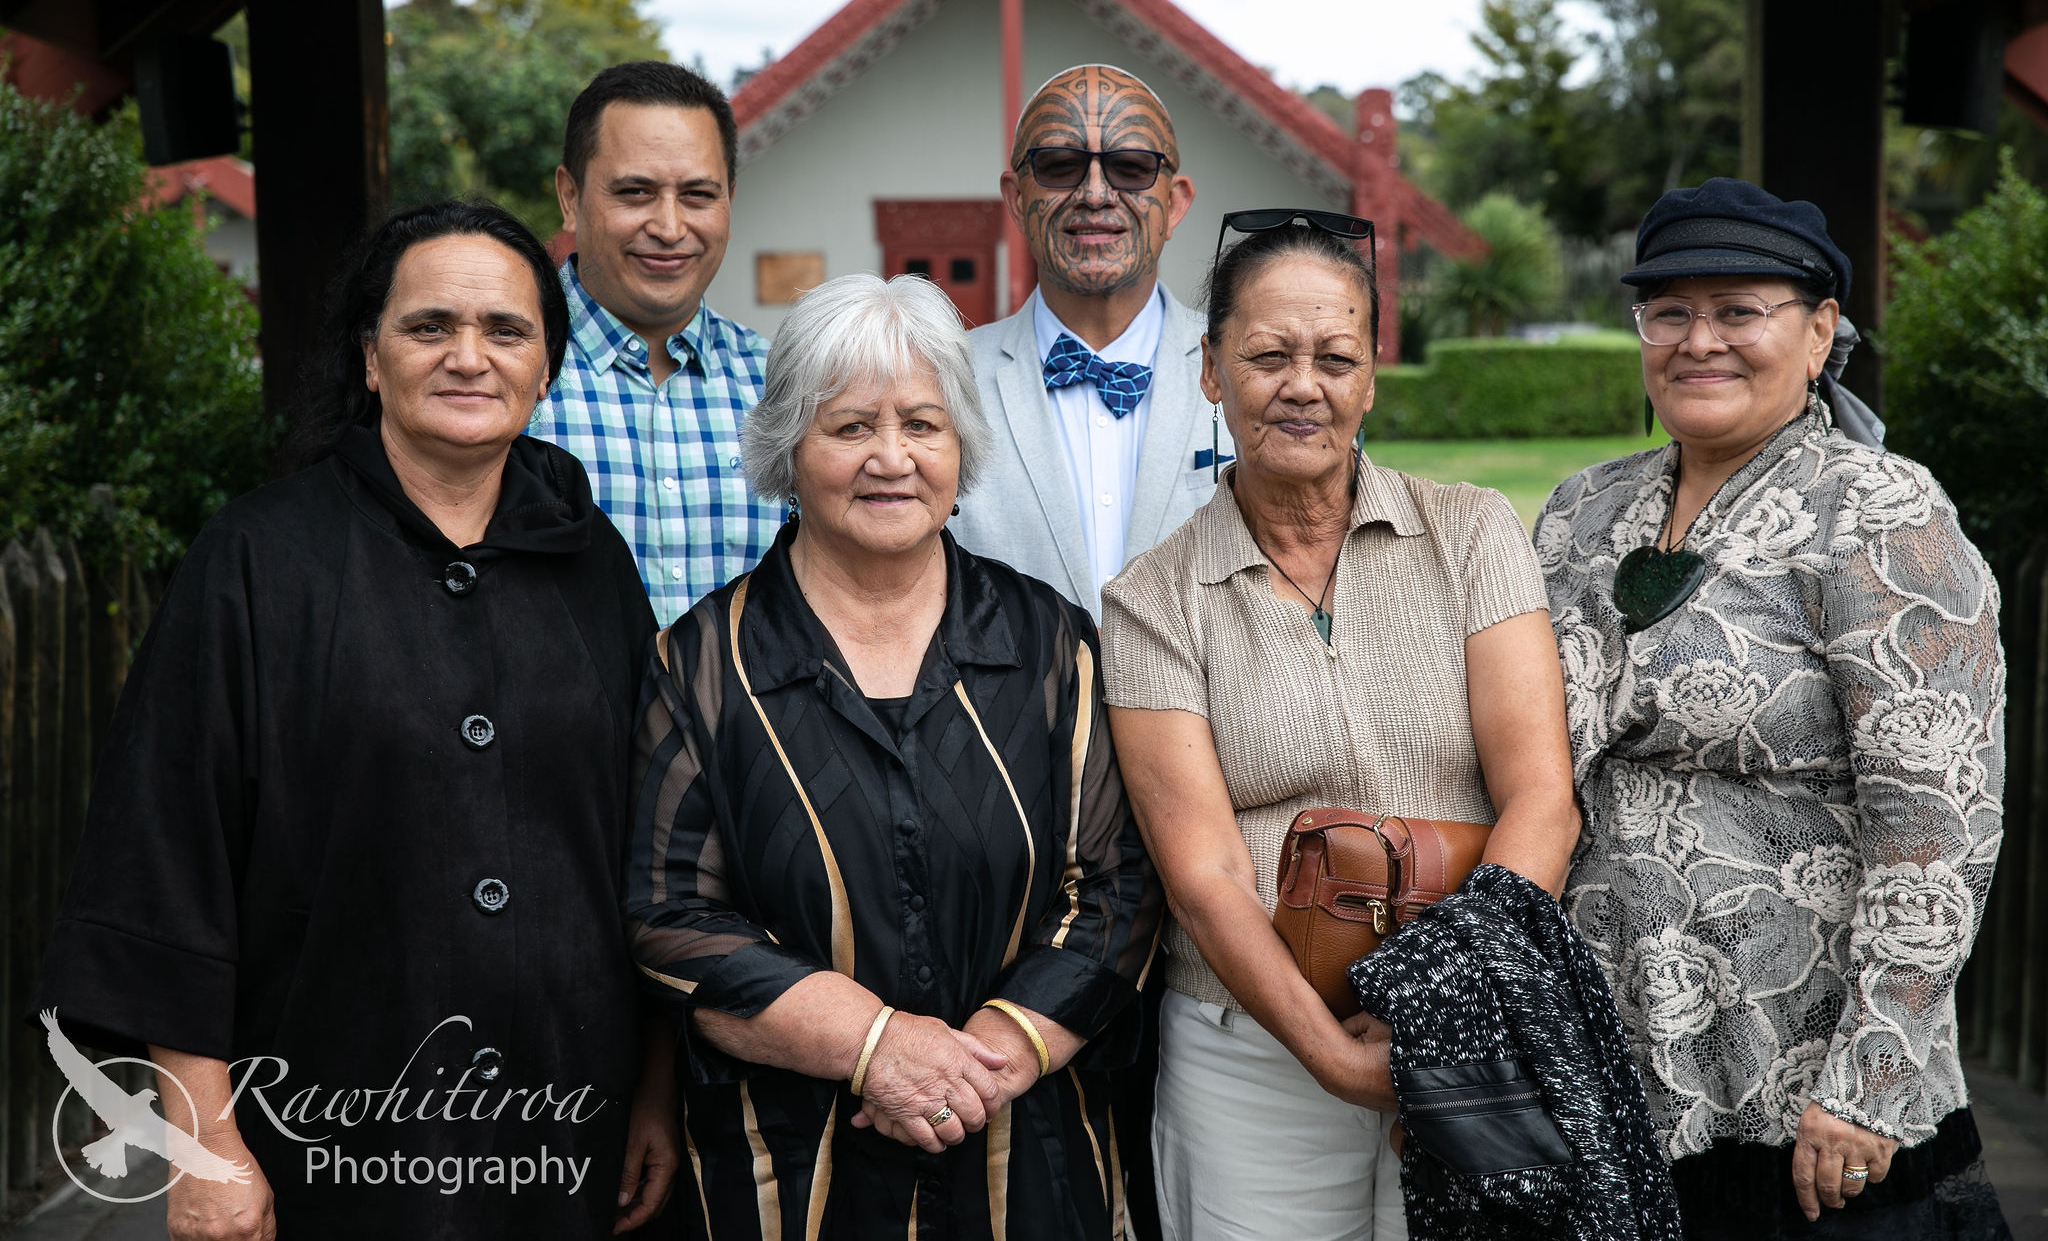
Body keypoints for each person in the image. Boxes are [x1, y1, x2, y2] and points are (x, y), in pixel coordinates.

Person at [32, 201, 679, 1238]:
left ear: (546, 367)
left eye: (505, 330)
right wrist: (202, 1142)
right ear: (369, 357)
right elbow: (165, 857)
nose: (468, 355)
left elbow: (649, 847)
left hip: (571, 1124)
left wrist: (654, 1084)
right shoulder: (257, 561)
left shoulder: (592, 564)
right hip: (329, 1138)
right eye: (429, 326)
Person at [623, 272, 1163, 1239]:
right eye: (850, 428)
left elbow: (1117, 887)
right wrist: (874, 1045)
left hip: (1026, 1153)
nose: (891, 458)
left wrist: (979, 1060)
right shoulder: (704, 661)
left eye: (922, 424)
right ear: (790, 447)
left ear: (962, 448)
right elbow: (671, 918)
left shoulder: (1050, 644)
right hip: (792, 1166)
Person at [1532, 178, 2008, 1239]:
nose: (1698, 340)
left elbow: (1937, 826)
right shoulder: (1580, 510)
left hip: (1802, 1098)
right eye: (1667, 313)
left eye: (1737, 310)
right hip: (1611, 1069)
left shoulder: (1879, 514)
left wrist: (1867, 1079)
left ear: (1817, 331)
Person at [1101, 212, 1582, 1239]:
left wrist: (1438, 1006)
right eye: (1266, 355)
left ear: (1371, 376)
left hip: (1472, 1024)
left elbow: (1539, 795)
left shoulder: (1471, 531)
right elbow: (1203, 874)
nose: (1301, 385)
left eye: (1334, 357)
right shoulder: (1151, 598)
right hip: (1249, 1048)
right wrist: (1327, 1053)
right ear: (1211, 372)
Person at [951, 63, 1223, 620]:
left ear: (1174, 203)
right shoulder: (943, 382)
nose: (1095, 194)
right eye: (1059, 166)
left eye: (1130, 167)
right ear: (1015, 198)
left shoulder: (1250, 373)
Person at [530, 59, 781, 626]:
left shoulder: (783, 385)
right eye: (635, 192)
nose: (669, 227)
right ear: (570, 196)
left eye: (697, 195)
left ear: (729, 201)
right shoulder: (503, 374)